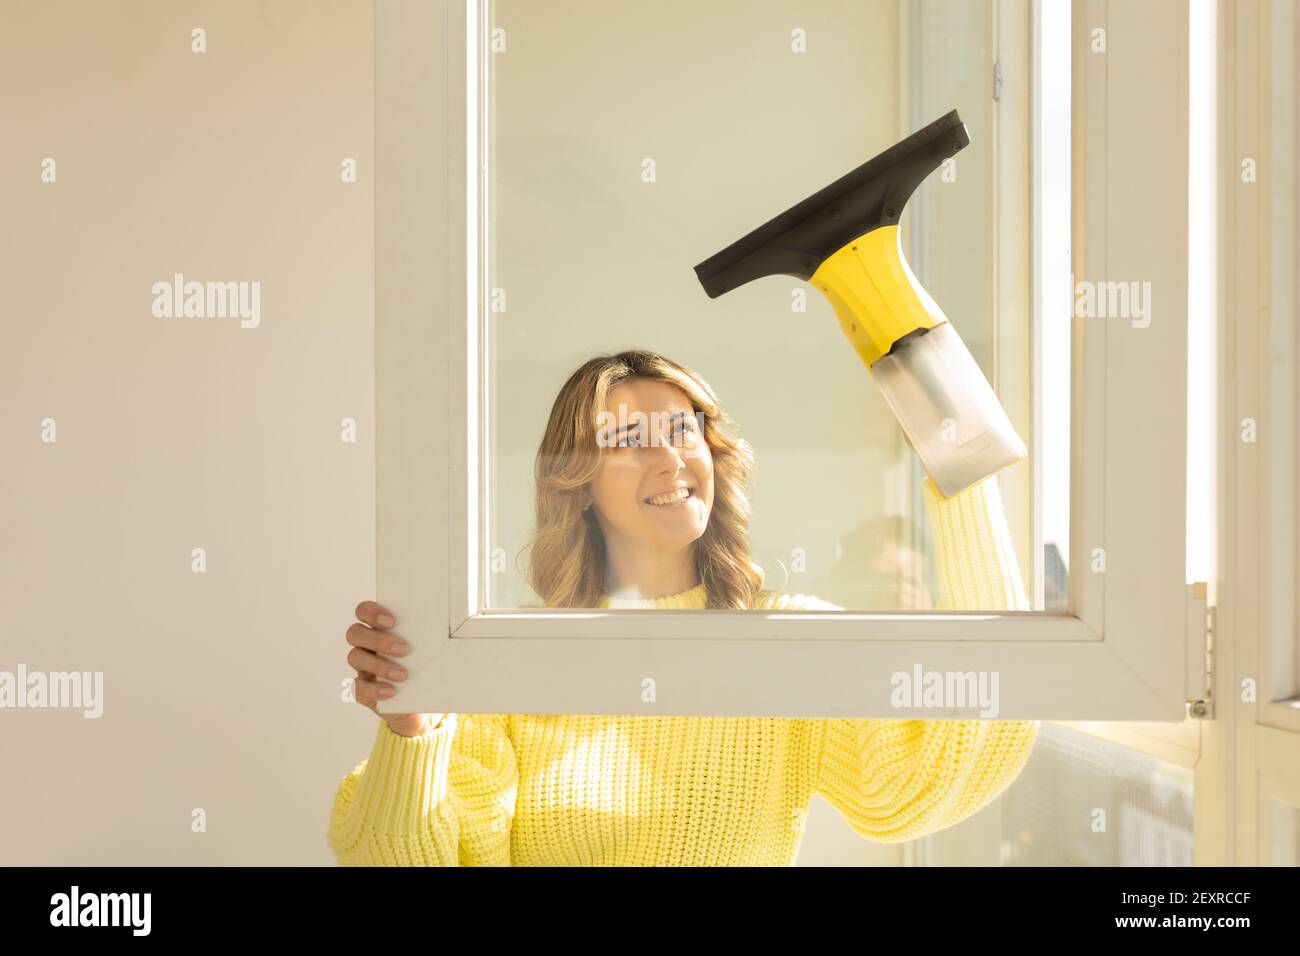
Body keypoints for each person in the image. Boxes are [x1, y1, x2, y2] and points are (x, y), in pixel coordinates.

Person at [328, 349, 1039, 866]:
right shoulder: (516, 658)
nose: (670, 459)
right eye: (630, 443)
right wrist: (410, 730)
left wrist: (963, 479)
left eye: (683, 431)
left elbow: (927, 779)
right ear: (577, 483)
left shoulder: (786, 640)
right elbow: (412, 859)